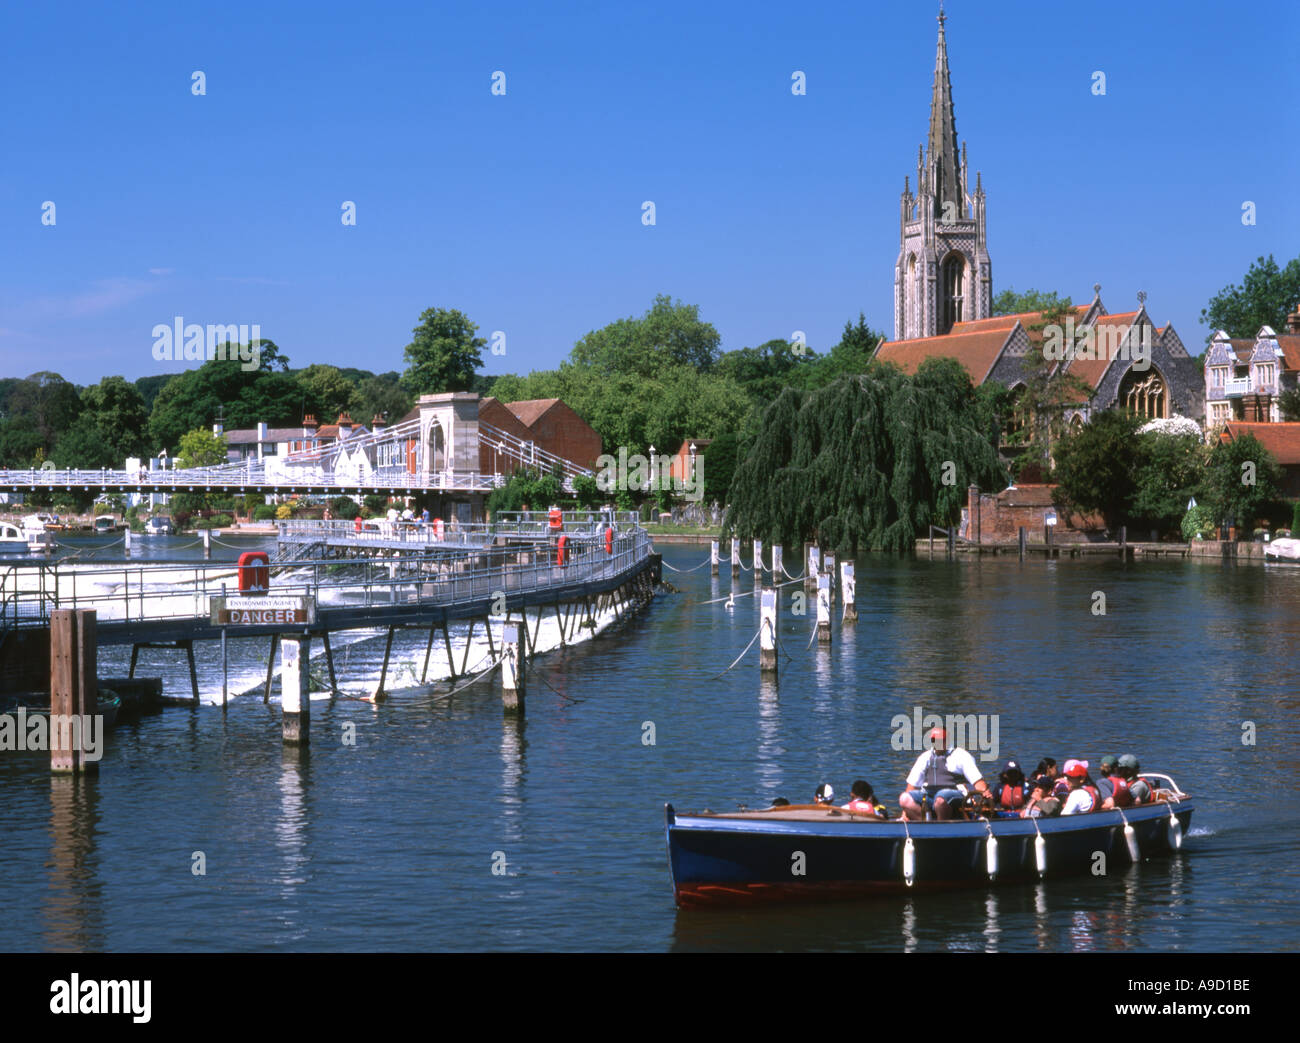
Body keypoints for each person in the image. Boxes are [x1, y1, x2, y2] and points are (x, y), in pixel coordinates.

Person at [899, 726, 989, 821]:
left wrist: (985, 796)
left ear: (947, 740)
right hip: (930, 796)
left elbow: (978, 782)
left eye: (941, 740)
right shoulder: (924, 757)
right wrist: (905, 813)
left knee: (941, 797)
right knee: (904, 798)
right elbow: (911, 786)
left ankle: (941, 826)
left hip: (957, 796)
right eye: (934, 739)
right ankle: (925, 824)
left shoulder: (961, 756)